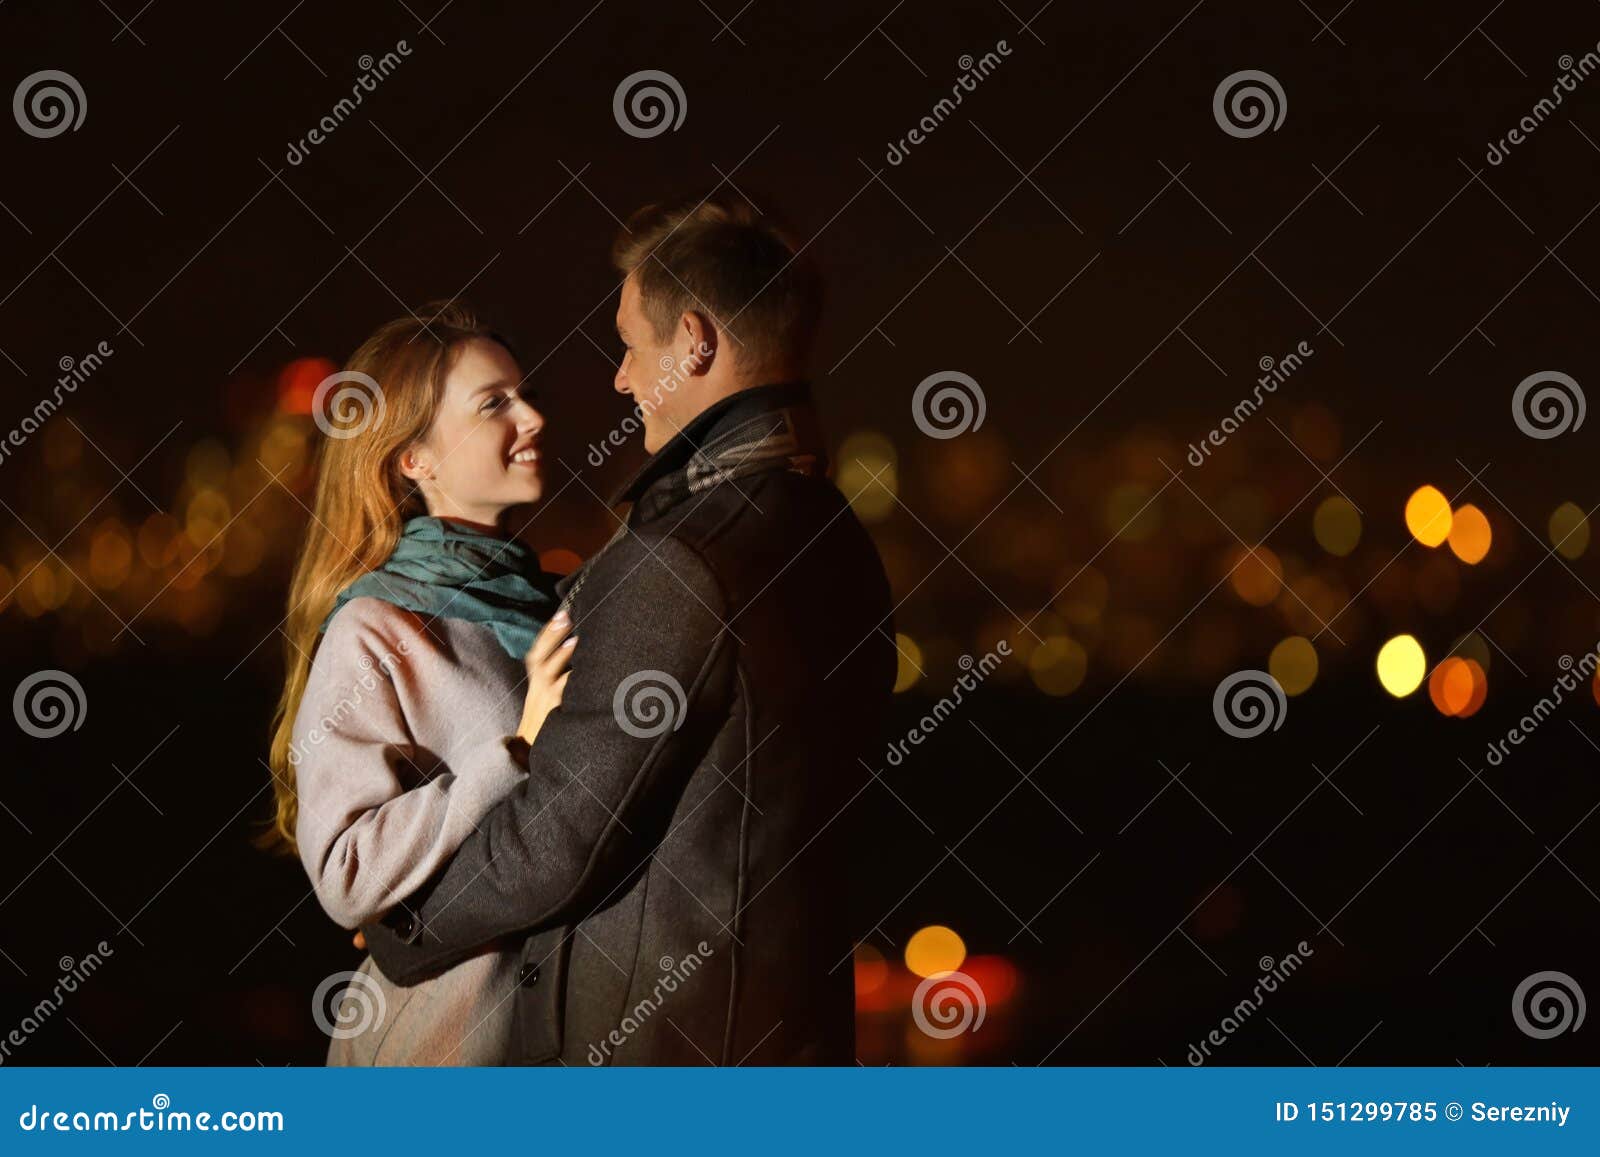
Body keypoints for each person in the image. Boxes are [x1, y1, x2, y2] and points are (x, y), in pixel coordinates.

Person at [360, 196, 897, 1065]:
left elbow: (561, 830)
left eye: (630, 344)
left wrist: (401, 927)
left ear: (694, 342)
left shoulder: (682, 559)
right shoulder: (832, 535)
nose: (617, 379)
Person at [264, 302, 575, 1064]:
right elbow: (344, 872)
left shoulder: (556, 606)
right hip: (440, 1056)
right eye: (494, 404)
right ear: (416, 459)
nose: (532, 417)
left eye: (523, 393)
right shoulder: (376, 629)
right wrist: (515, 746)